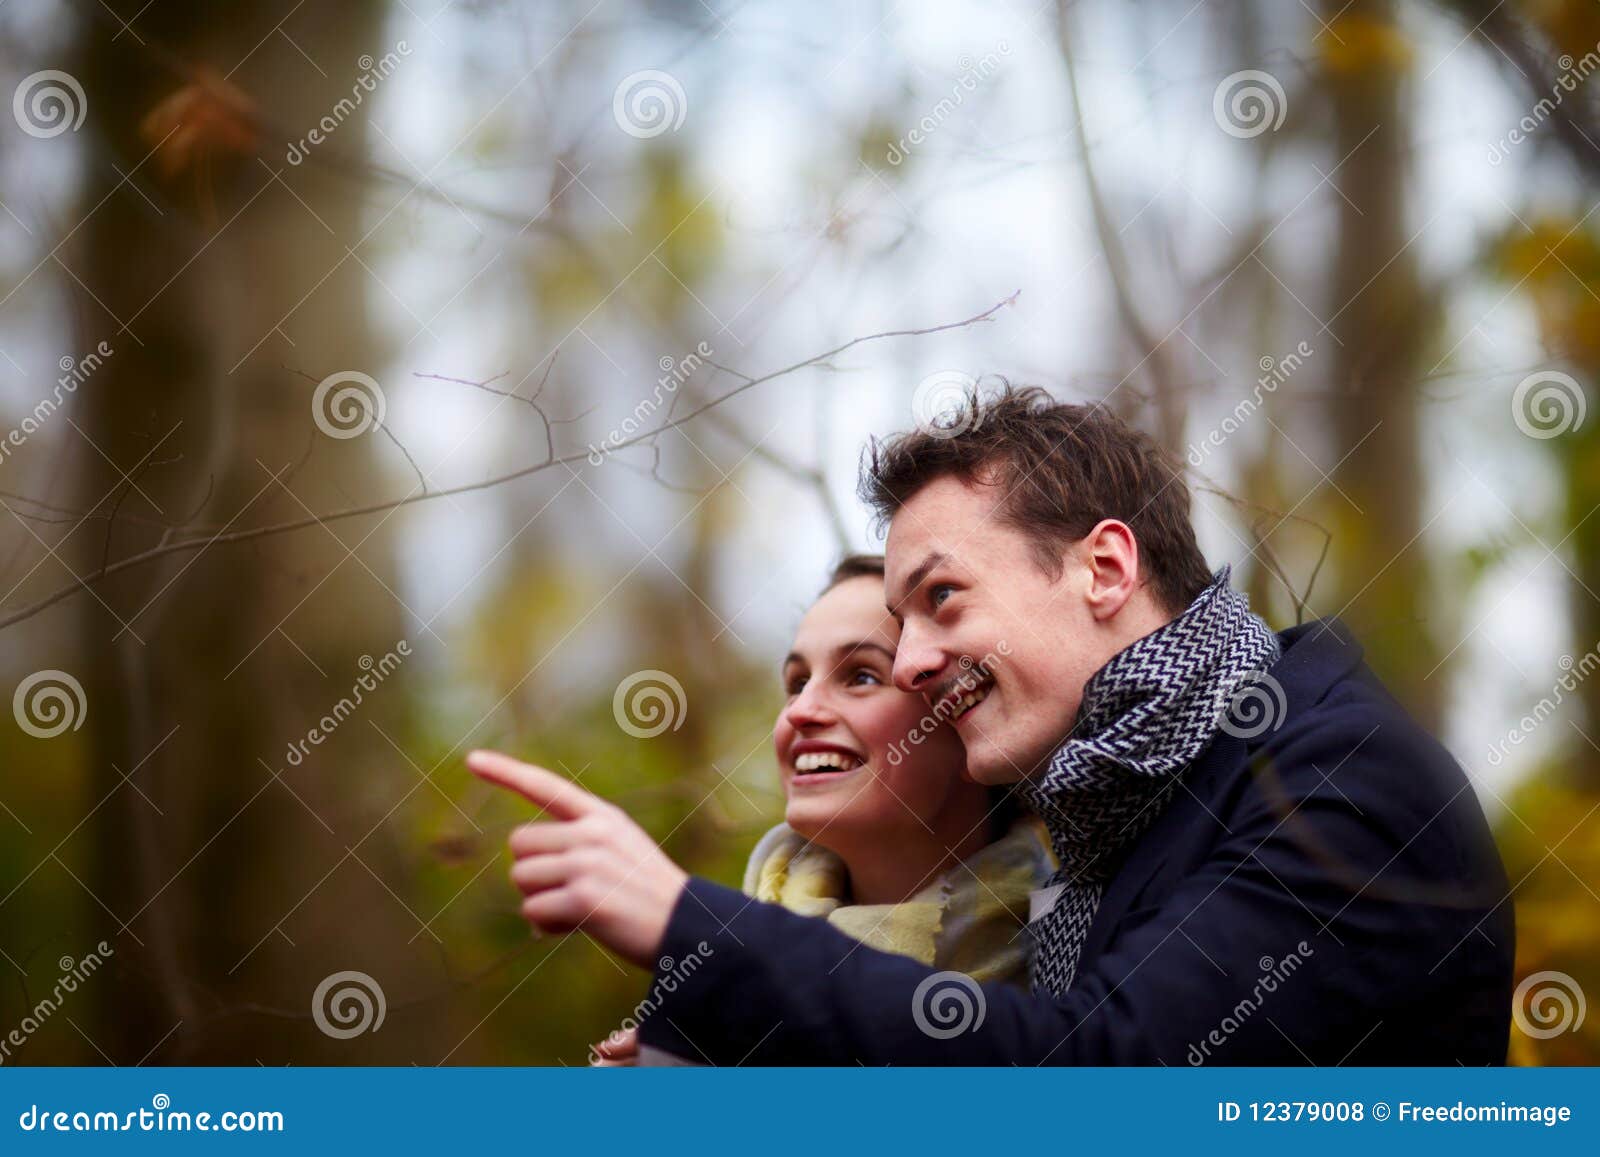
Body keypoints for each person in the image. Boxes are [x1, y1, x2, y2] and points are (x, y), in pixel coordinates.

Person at [469, 385, 1515, 1065]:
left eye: (942, 599)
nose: (919, 661)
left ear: (1104, 568)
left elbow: (1095, 1083)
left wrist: (692, 924)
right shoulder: (1123, 802)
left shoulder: (1338, 770)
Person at [587, 553, 1052, 1064]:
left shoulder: (1084, 950)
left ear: (970, 720)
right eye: (796, 682)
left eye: (861, 676)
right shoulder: (707, 999)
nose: (801, 711)